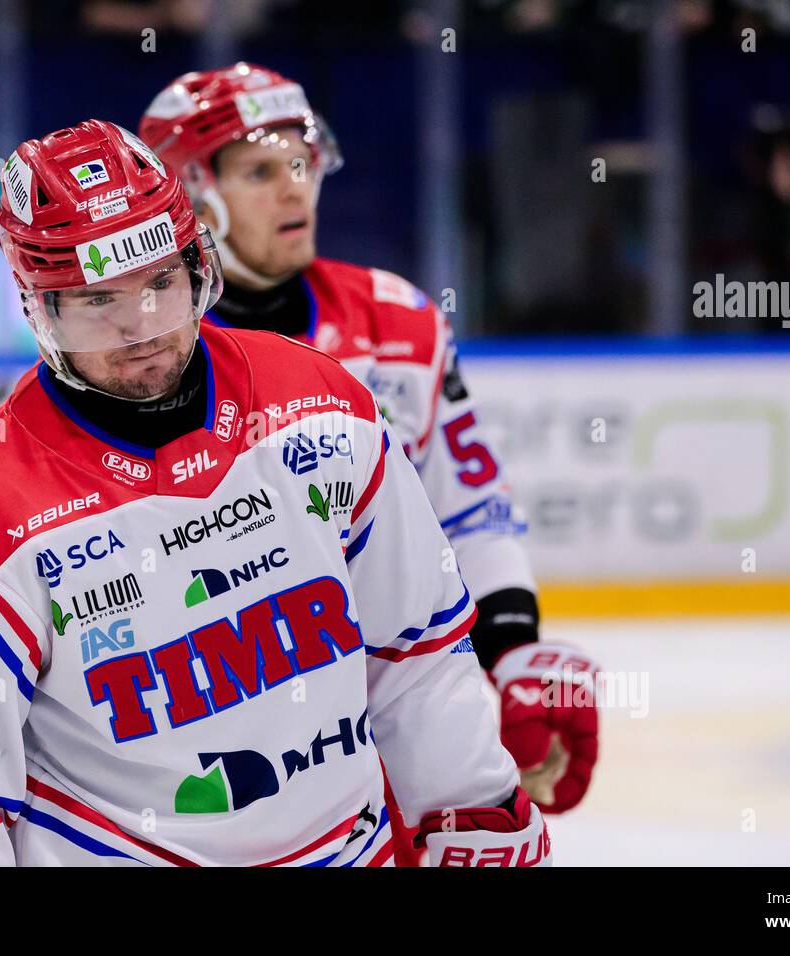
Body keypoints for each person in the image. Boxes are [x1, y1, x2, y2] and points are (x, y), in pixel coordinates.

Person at [0, 119, 550, 867]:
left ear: (198, 267)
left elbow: (416, 652)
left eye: (161, 283)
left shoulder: (320, 400)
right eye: (99, 301)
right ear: (39, 308)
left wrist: (475, 807)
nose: (142, 329)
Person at [138, 64, 599, 823]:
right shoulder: (145, 359)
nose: (295, 190)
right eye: (260, 173)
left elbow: (467, 510)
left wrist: (514, 648)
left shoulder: (397, 324)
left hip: (398, 730)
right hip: (217, 755)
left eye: (302, 164)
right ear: (190, 196)